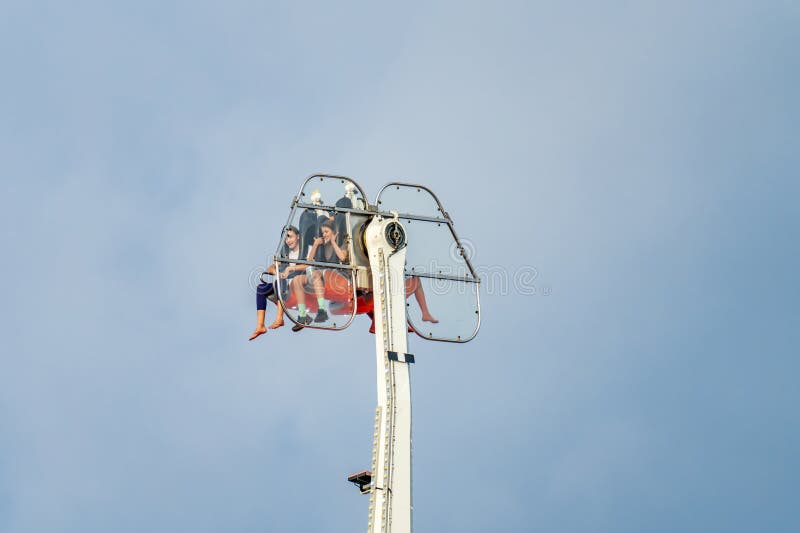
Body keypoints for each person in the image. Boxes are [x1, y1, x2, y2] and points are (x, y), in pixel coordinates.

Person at [290, 218, 349, 331]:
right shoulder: (321, 248)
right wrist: (316, 244)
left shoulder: (342, 244)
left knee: (316, 273)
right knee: (298, 280)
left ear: (334, 232)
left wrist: (333, 242)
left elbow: (342, 257)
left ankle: (322, 310)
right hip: (321, 276)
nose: (324, 235)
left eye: (326, 232)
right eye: (322, 233)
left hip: (337, 276)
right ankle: (303, 316)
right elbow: (309, 260)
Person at [248, 226, 307, 341]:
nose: (288, 240)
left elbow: (307, 265)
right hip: (283, 285)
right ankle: (260, 325)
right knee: (261, 288)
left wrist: (289, 270)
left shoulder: (304, 251)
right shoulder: (284, 254)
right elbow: (271, 267)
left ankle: (280, 318)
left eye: (290, 237)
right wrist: (276, 271)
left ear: (298, 237)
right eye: (285, 238)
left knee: (279, 283)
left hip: (298, 284)